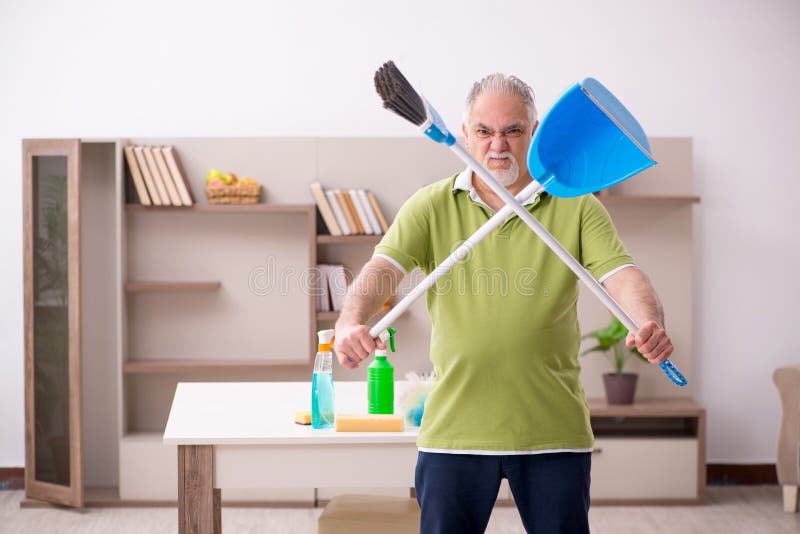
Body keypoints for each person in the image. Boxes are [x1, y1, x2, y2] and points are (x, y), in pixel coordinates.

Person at [333, 73, 674, 534]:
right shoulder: (431, 205)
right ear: (464, 132)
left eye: (513, 130)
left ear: (533, 133)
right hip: (454, 431)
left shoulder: (577, 207)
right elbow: (382, 270)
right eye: (485, 131)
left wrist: (647, 319)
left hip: (552, 430)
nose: (499, 144)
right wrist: (350, 322)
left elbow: (621, 274)